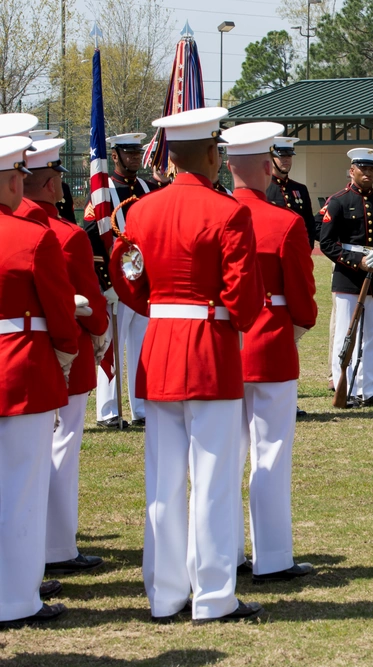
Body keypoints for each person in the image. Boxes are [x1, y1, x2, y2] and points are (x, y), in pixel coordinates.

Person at [109, 106, 265, 623]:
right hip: (209, 350)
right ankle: (214, 595)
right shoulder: (228, 212)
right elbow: (244, 300)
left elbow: (129, 280)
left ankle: (166, 593)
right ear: (212, 155)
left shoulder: (142, 211)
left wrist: (161, 307)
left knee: (163, 481)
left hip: (160, 348)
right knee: (215, 478)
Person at [221, 122, 319, 584]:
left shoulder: (216, 214)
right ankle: (273, 555)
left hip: (222, 346)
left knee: (223, 455)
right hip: (272, 343)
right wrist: (298, 325)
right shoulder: (285, 222)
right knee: (271, 452)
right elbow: (302, 295)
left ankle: (225, 549)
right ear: (266, 167)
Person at [0, 131, 79, 629]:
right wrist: (67, 353)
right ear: (13, 182)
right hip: (22, 365)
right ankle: (17, 599)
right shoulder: (35, 237)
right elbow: (62, 320)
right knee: (23, 486)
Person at [22, 137, 110, 576]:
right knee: (62, 449)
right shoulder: (67, 236)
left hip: (20, 358)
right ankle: (56, 545)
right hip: (66, 357)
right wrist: (100, 333)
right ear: (51, 182)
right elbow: (91, 304)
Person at [320, 148, 373, 407]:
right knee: (345, 335)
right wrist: (357, 261)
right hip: (348, 276)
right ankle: (346, 389)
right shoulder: (338, 201)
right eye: (363, 169)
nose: (367, 173)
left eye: (371, 169)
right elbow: (327, 242)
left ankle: (371, 390)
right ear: (352, 171)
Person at [84, 132, 152, 429]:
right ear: (115, 156)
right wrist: (107, 282)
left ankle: (140, 407)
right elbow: (91, 236)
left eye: (138, 152)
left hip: (142, 281)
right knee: (112, 346)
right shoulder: (104, 190)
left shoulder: (147, 187)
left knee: (142, 346)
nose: (135, 157)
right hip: (115, 282)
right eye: (129, 153)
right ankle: (108, 410)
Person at [266, 136, 319, 250]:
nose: (286, 160)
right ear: (270, 158)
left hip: (296, 251)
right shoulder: (262, 187)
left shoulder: (300, 189)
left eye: (289, 156)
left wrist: (306, 251)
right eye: (281, 156)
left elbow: (309, 224)